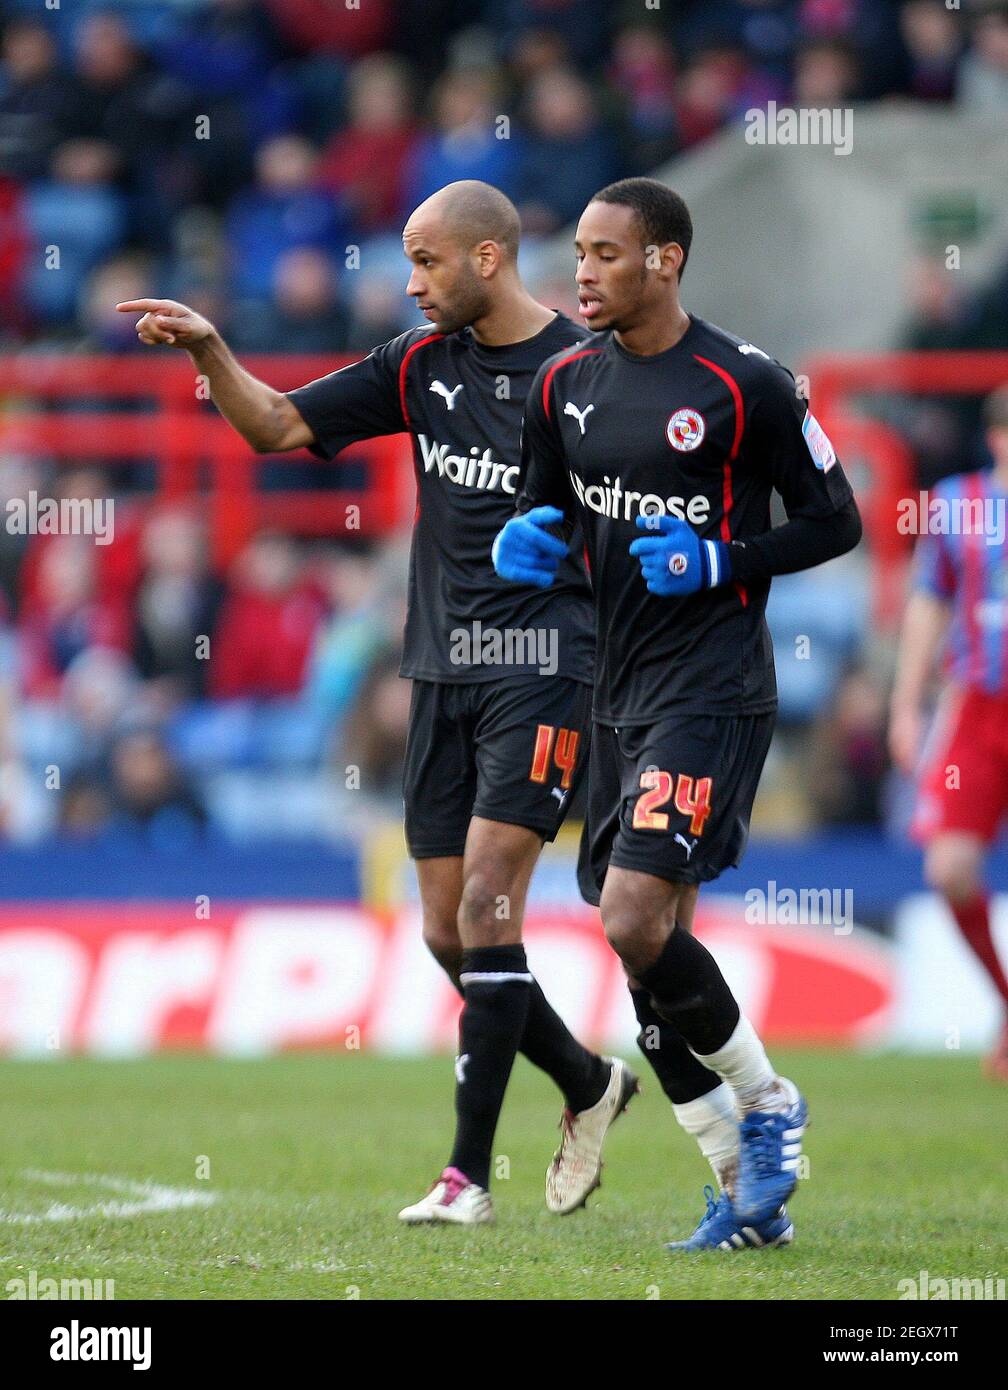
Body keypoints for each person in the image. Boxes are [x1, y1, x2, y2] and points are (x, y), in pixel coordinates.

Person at [117, 180, 644, 1226]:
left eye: (427, 261)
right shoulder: (417, 363)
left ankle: (466, 1178)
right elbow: (273, 426)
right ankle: (589, 1082)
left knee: (492, 903)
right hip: (439, 671)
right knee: (449, 935)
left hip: (544, 666)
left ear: (488, 258)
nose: (409, 283)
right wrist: (212, 354)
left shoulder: (585, 375)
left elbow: (649, 514)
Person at [493, 177, 862, 1250]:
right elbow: (550, 505)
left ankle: (771, 1103)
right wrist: (532, 537)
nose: (584, 274)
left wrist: (722, 558)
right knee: (648, 947)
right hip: (613, 694)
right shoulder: (562, 383)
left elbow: (833, 521)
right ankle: (737, 1195)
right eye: (580, 254)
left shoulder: (748, 385)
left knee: (632, 918)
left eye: (608, 254)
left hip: (711, 688)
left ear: (667, 260)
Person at [890, 386, 1008, 1080]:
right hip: (975, 706)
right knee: (950, 868)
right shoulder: (956, 504)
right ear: (997, 438)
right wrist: (908, 705)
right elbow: (927, 604)